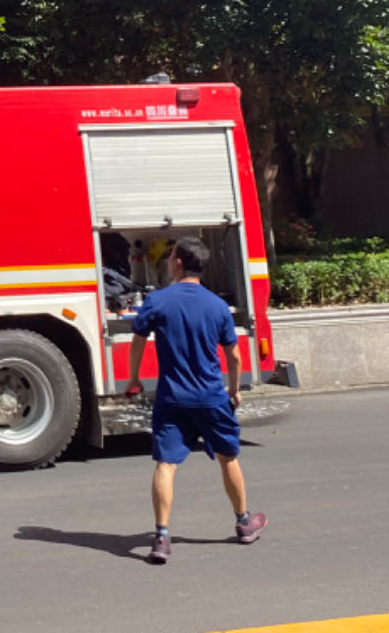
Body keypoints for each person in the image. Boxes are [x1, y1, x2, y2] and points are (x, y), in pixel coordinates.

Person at [123, 235, 265, 564]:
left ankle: (161, 537)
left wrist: (132, 379)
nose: (169, 261)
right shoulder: (217, 306)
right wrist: (234, 389)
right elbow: (235, 358)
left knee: (166, 465)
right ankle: (244, 523)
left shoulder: (158, 301)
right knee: (228, 458)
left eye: (171, 256)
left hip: (172, 399)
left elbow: (137, 341)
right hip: (211, 397)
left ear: (178, 263)